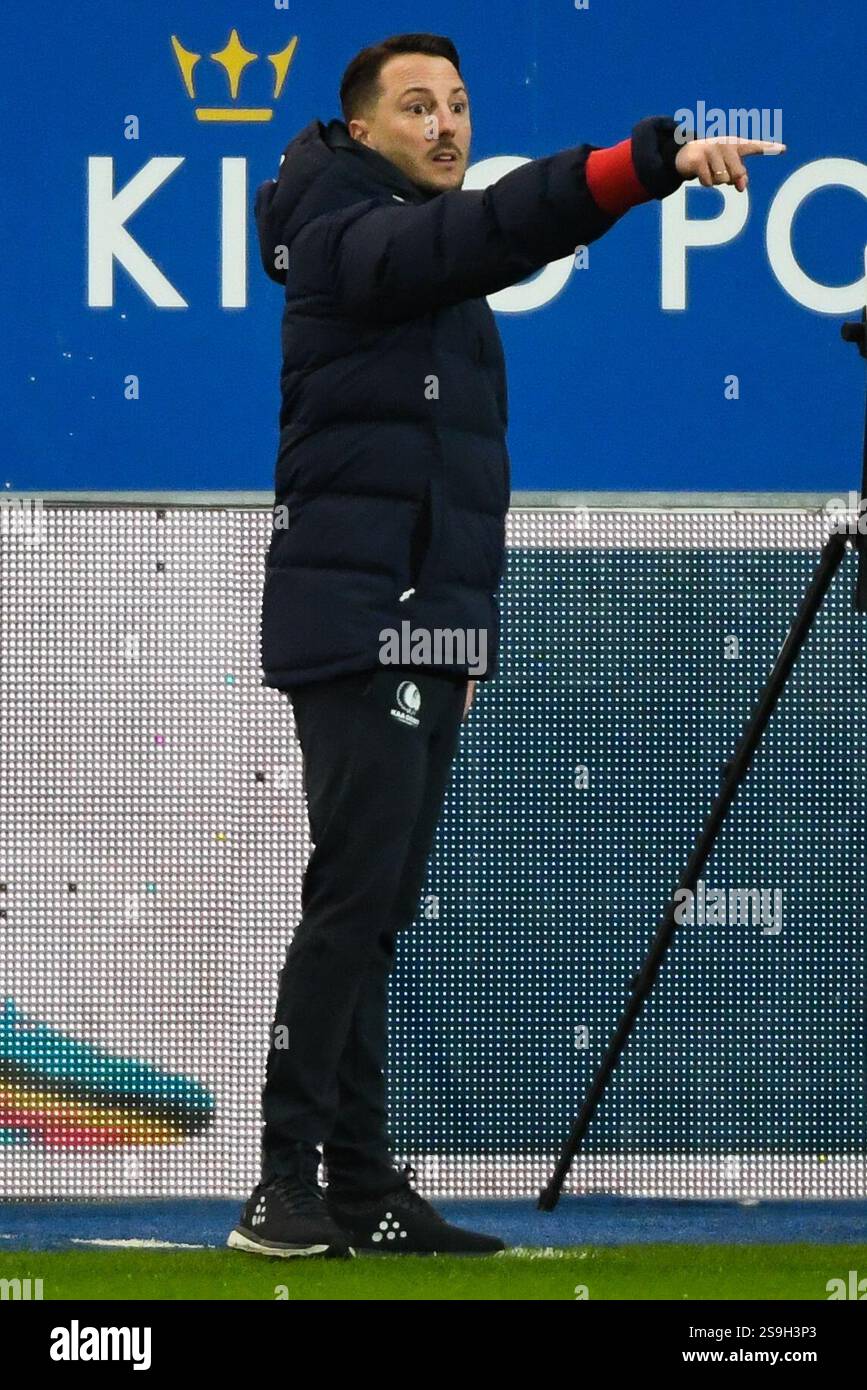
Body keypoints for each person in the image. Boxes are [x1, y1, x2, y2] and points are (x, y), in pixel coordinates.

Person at [228, 31, 783, 1260]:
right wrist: (644, 165)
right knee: (353, 901)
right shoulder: (348, 236)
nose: (447, 125)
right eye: (417, 107)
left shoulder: (425, 266)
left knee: (377, 908)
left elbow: (450, 486)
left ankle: (361, 1183)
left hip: (419, 628)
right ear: (361, 131)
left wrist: (461, 639)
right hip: (354, 625)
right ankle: (281, 1183)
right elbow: (487, 231)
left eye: (461, 105)